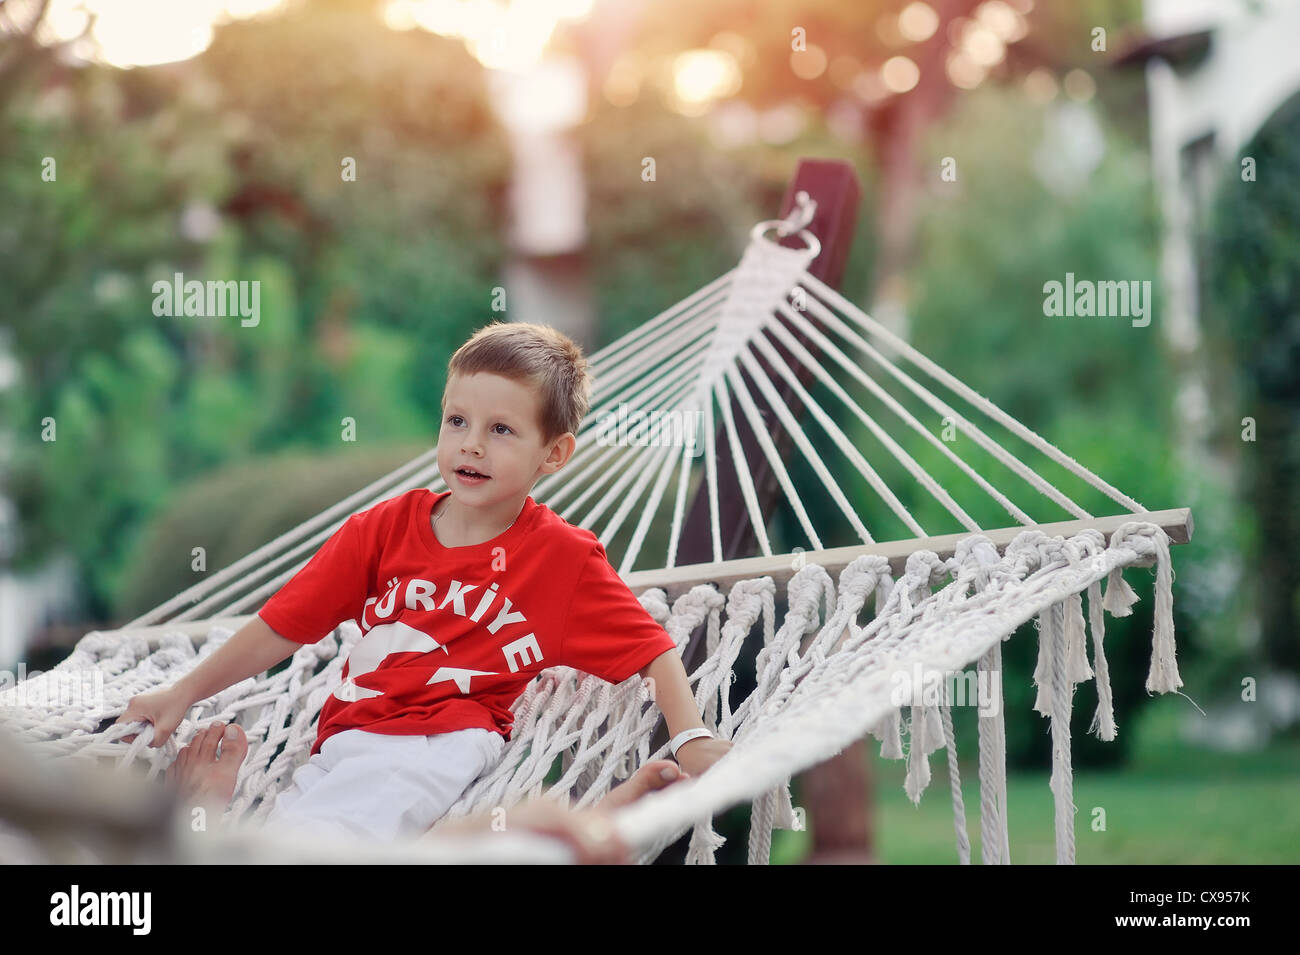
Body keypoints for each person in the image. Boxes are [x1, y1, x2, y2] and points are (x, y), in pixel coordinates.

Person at [117, 320, 732, 851]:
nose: (470, 443)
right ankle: (565, 830)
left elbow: (653, 649)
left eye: (501, 430)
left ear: (554, 454)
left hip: (439, 739)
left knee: (325, 851)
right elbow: (286, 622)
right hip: (343, 734)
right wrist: (184, 692)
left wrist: (691, 734)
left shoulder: (559, 559)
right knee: (296, 836)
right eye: (457, 420)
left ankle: (203, 821)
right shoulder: (382, 529)